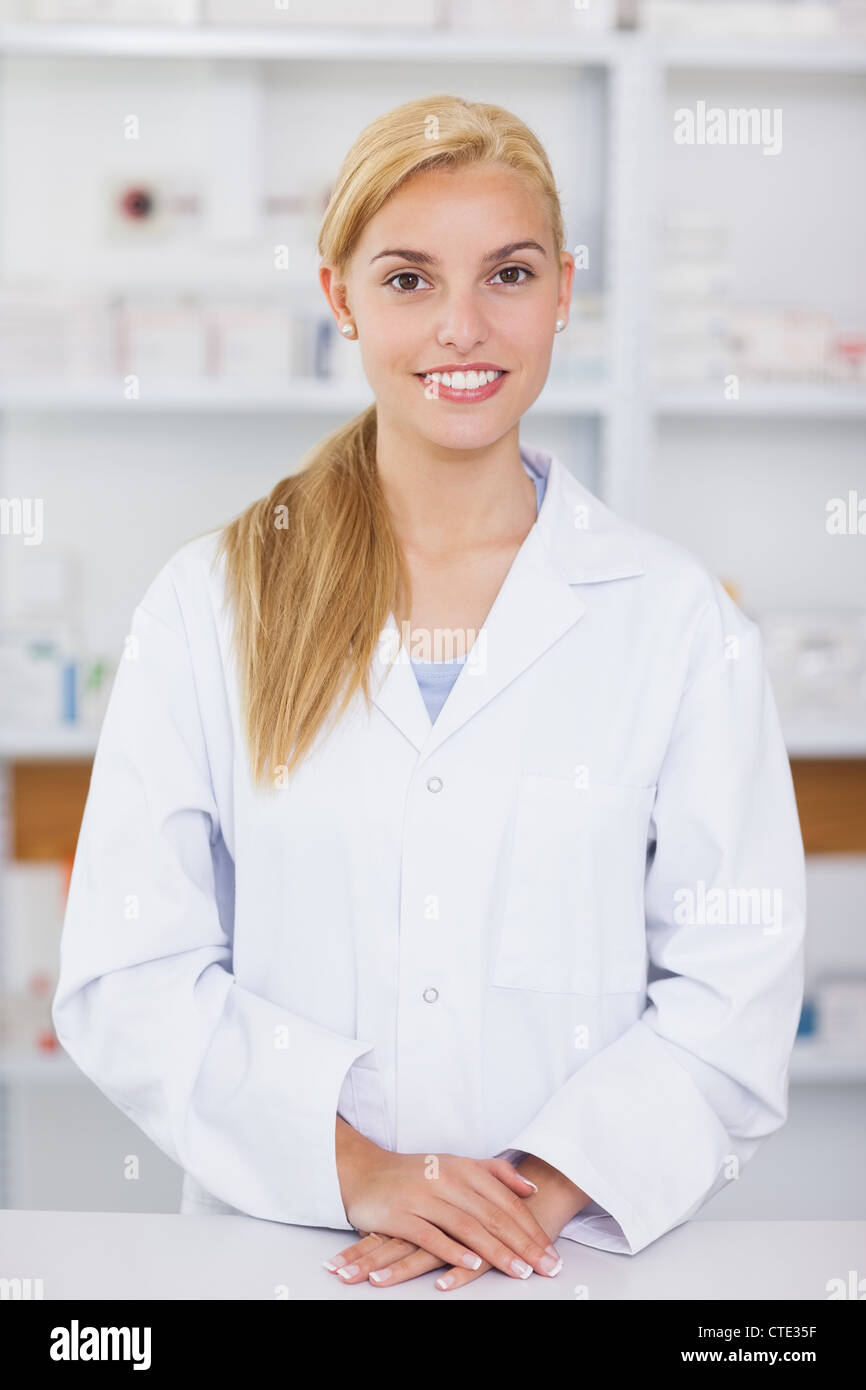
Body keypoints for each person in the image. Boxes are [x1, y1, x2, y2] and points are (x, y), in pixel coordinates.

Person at [52, 94, 806, 1294]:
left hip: (558, 1261)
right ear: (339, 296)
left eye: (505, 274)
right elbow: (126, 974)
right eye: (407, 280)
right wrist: (362, 1170)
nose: (463, 326)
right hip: (286, 1257)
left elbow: (737, 984)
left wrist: (521, 1199)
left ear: (563, 291)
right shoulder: (210, 605)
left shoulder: (673, 623)